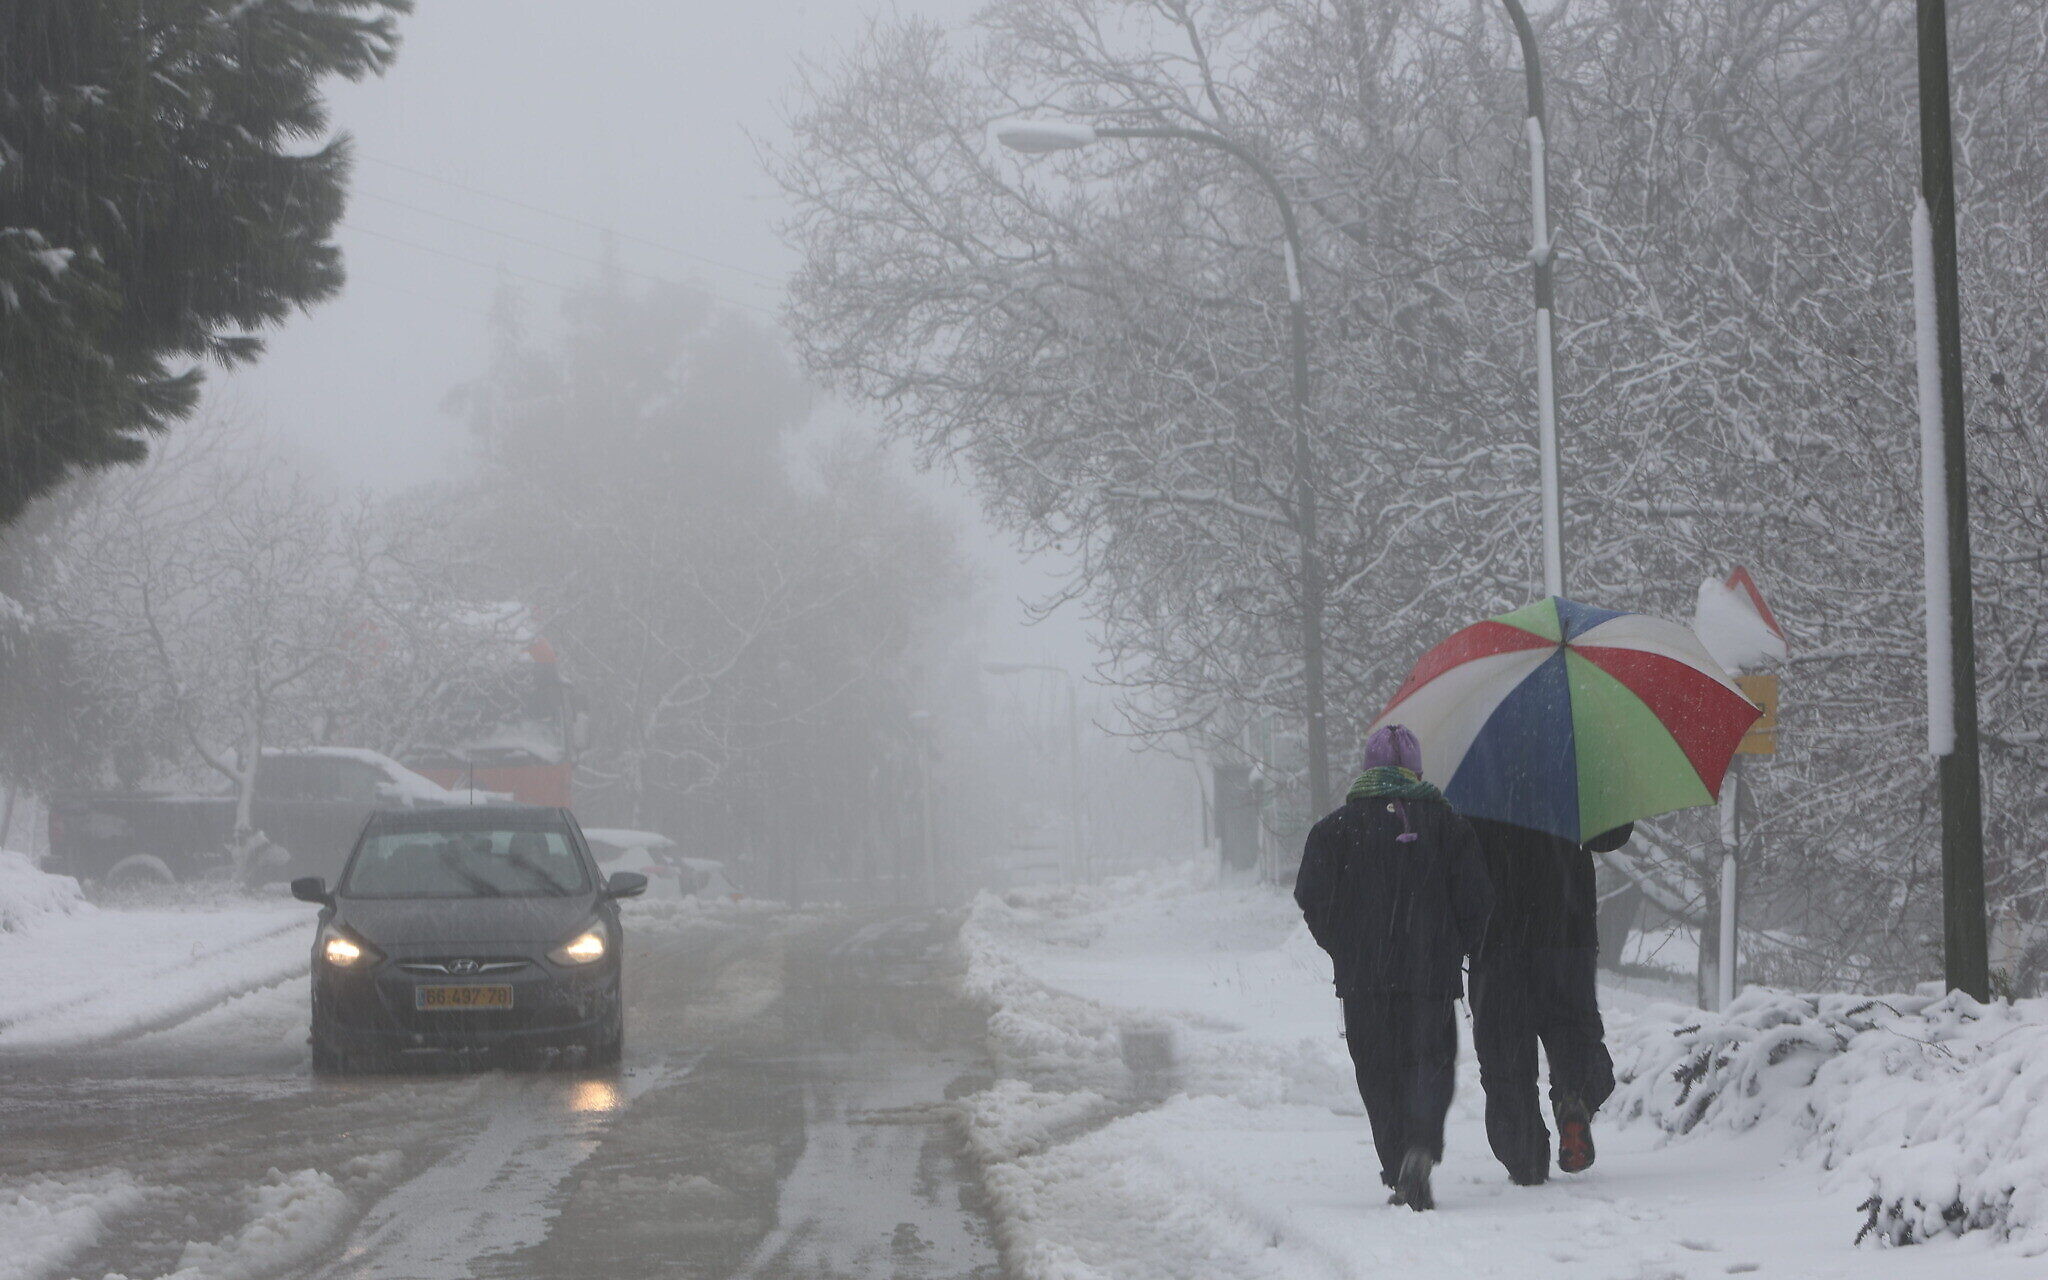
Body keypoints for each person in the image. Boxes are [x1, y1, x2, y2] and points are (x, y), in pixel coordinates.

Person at [1295, 725, 1493, 1212]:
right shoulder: (1450, 826)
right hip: (1430, 977)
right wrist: (1453, 948)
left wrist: (1343, 945)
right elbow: (1478, 900)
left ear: (1368, 771)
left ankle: (1398, 1161)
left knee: (1378, 1072)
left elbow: (1311, 897)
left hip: (1364, 980)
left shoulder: (1334, 829)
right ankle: (1421, 1147)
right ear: (1417, 772)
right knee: (1429, 1063)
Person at [1466, 818, 1634, 1184]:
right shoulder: (1569, 770)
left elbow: (1456, 853)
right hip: (1566, 932)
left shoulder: (1477, 780)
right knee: (1573, 1030)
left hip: (1497, 942)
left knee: (1504, 1055)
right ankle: (1576, 1094)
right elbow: (1611, 833)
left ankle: (1524, 1155)